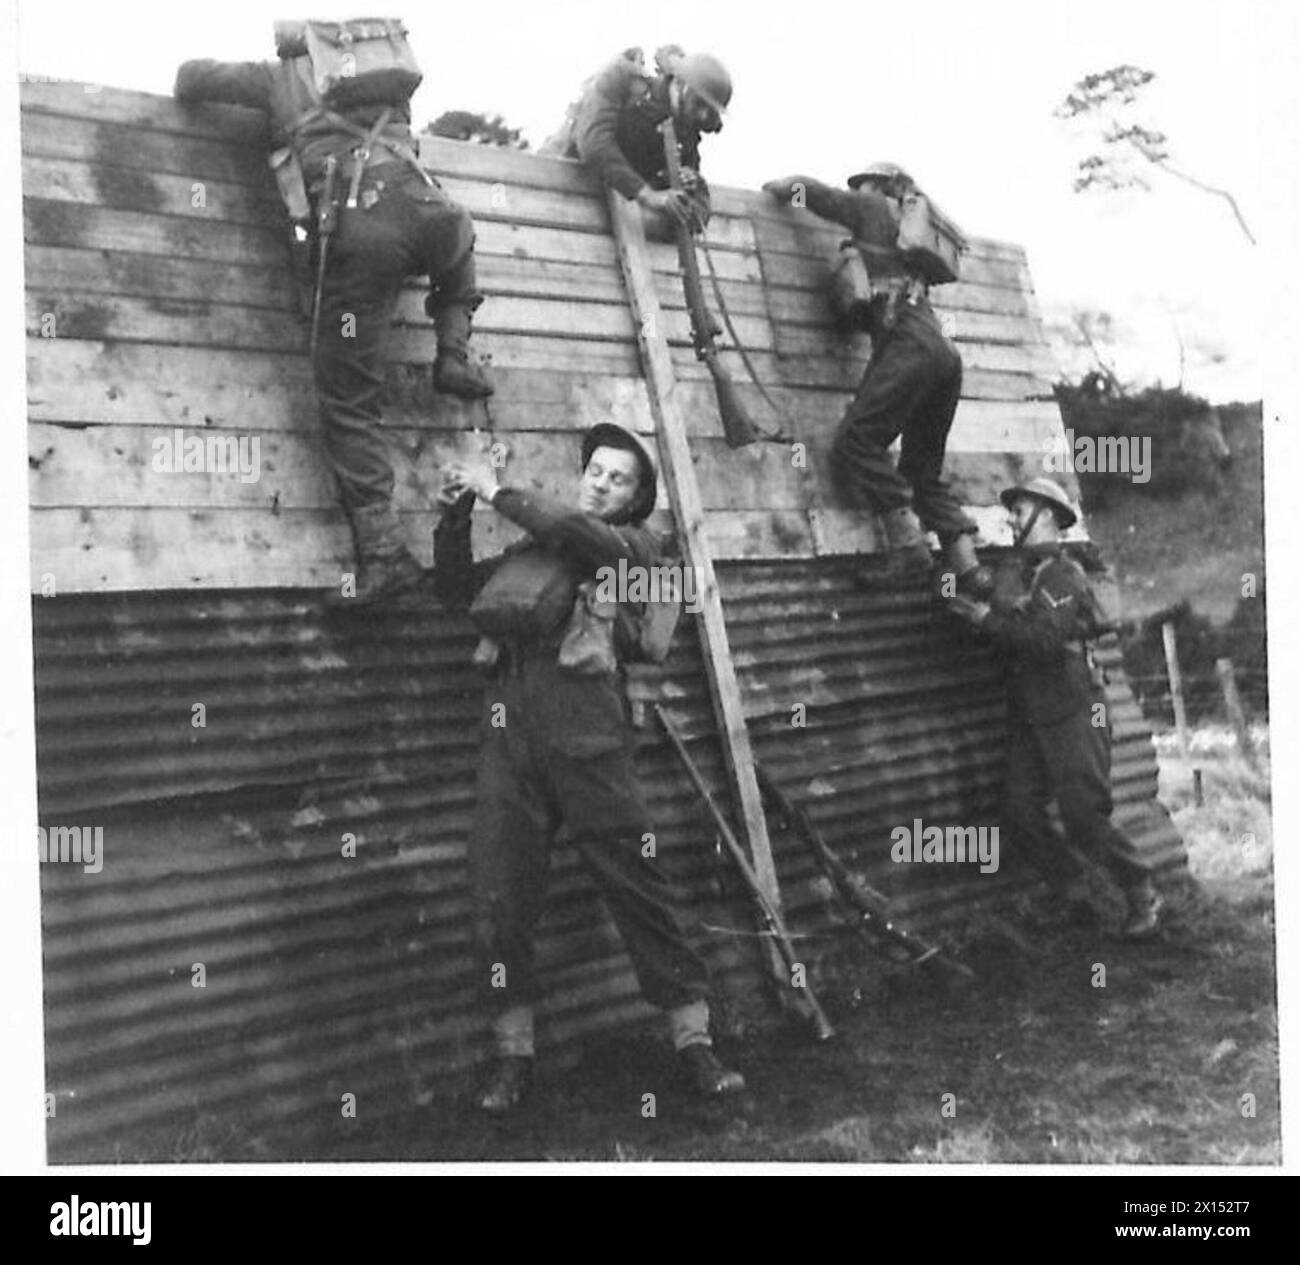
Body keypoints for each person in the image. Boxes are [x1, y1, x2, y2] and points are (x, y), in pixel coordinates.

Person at [433, 422, 746, 1112]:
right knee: (498, 895)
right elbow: (456, 590)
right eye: (595, 471)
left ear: (637, 499)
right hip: (510, 742)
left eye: (618, 477)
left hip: (590, 743)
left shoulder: (634, 549)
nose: (600, 482)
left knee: (637, 885)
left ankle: (694, 1042)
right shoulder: (535, 548)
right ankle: (514, 1056)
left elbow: (588, 539)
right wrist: (457, 506)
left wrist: (498, 487)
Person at [174, 24, 493, 605]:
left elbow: (190, 80)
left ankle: (385, 556)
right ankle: (452, 355)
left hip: (364, 230)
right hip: (436, 210)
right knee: (459, 239)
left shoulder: (277, 76)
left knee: (346, 401)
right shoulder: (386, 74)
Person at [946, 478, 1163, 939]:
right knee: (1019, 808)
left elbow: (1045, 642)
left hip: (1074, 712)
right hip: (1034, 716)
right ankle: (1075, 893)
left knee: (1085, 817)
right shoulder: (1022, 571)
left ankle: (1141, 889)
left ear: (1046, 515)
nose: (1011, 518)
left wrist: (987, 620)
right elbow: (1004, 618)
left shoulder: (1062, 575)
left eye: (1019, 510)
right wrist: (971, 614)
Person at [762, 164, 988, 594]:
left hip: (909, 346)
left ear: (877, 186)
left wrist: (779, 189)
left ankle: (908, 549)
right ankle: (971, 572)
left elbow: (812, 194)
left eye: (862, 185)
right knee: (924, 470)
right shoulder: (907, 235)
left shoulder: (872, 205)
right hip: (943, 354)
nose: (859, 191)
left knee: (855, 441)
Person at [543, 45, 732, 238]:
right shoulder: (622, 79)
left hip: (613, 215)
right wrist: (649, 195)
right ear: (679, 84)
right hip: (560, 184)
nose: (703, 115)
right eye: (699, 103)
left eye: (710, 111)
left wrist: (690, 190)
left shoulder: (686, 131)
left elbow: (693, 210)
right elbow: (594, 142)